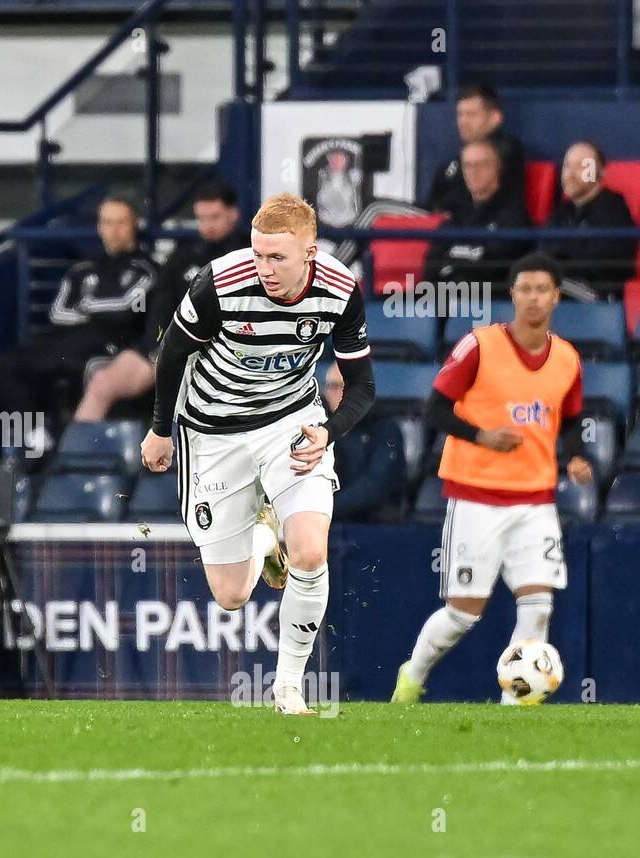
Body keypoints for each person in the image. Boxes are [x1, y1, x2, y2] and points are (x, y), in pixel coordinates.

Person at [140, 193, 376, 716]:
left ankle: (288, 686)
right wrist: (160, 430)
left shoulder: (339, 290)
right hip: (213, 431)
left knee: (312, 552)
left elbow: (362, 386)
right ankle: (267, 535)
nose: (264, 268)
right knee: (230, 596)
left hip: (291, 422)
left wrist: (329, 432)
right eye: (259, 254)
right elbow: (172, 355)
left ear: (310, 253)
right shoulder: (220, 283)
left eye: (278, 258)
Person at [393, 254, 590, 705]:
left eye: (542, 289)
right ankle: (413, 675)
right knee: (463, 614)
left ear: (556, 296)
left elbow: (573, 419)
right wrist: (482, 436)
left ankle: (514, 704)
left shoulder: (567, 359)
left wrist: (576, 455)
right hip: (477, 494)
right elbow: (435, 408)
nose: (534, 298)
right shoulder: (479, 345)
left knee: (538, 605)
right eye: (525, 289)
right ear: (512, 294)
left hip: (535, 499)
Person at [0, 195, 156, 447]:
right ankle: (37, 437)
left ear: (134, 225)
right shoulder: (82, 269)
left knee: (81, 371)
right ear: (99, 227)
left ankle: (74, 450)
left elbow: (127, 310)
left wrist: (86, 307)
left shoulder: (146, 268)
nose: (114, 230)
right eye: (107, 222)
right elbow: (58, 313)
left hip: (111, 344)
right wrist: (96, 311)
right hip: (67, 340)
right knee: (0, 365)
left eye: (121, 222)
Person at [74, 180, 248, 422]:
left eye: (215, 217)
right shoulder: (183, 255)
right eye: (201, 218)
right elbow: (161, 308)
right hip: (168, 347)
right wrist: (158, 345)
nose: (207, 225)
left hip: (223, 350)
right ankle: (78, 457)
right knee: (103, 382)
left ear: (233, 214)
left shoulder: (250, 255)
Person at [424, 138, 532, 294]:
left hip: (490, 305)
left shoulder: (514, 217)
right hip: (443, 298)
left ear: (497, 168)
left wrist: (453, 263)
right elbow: (431, 266)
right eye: (467, 165)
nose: (473, 171)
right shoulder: (455, 216)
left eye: (481, 164)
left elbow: (496, 267)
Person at [540, 140, 637, 301]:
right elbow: (542, 252)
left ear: (601, 173)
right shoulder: (561, 212)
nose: (571, 174)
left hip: (599, 295)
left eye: (582, 166)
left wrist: (561, 257)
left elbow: (602, 262)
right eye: (567, 166)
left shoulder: (614, 209)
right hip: (561, 288)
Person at [426, 84, 525, 220]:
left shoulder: (507, 151)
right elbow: (431, 204)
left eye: (472, 114)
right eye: (460, 115)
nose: (463, 122)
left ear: (495, 118)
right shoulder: (450, 163)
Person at [323, 364, 405, 522]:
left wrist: (322, 511)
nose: (341, 393)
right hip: (325, 522)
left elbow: (375, 486)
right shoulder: (316, 425)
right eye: (333, 386)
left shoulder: (385, 428)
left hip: (373, 527)